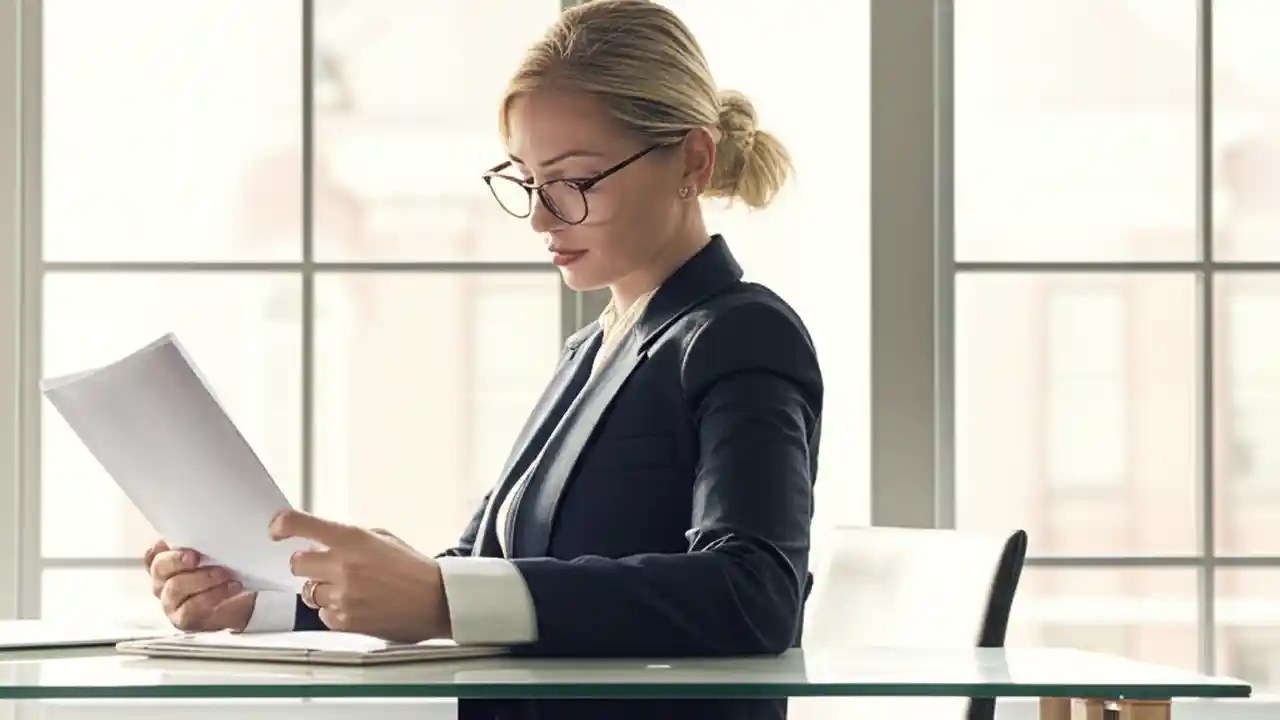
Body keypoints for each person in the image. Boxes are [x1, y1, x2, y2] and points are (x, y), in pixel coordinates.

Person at [143, 1, 822, 717]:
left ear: (693, 159)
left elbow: (754, 593)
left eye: (576, 182)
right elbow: (476, 571)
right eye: (527, 180)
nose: (539, 216)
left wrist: (441, 595)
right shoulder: (591, 350)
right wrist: (264, 603)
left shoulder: (742, 333)